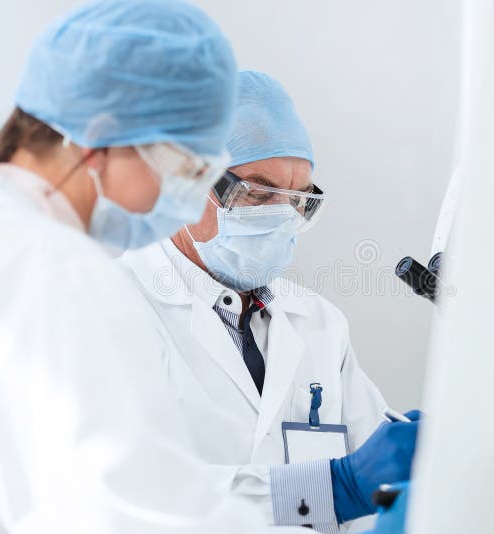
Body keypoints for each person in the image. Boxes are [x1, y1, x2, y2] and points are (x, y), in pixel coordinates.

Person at [0, 3, 306, 533]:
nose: (186, 205)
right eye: (186, 168)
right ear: (100, 138)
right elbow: (136, 517)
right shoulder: (49, 268)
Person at [120, 71, 421, 533]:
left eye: (298, 199)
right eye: (258, 192)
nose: (282, 216)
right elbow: (134, 496)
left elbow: (377, 487)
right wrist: (332, 488)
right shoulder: (112, 308)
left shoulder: (320, 325)